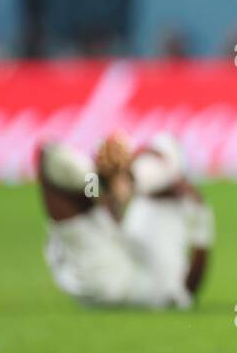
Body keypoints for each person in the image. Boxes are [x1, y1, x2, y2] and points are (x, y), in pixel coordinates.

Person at [37, 131, 213, 308]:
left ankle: (105, 182)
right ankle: (107, 182)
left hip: (101, 276)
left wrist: (106, 180)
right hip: (111, 275)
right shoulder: (168, 203)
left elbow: (48, 155)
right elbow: (187, 290)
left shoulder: (169, 205)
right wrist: (116, 180)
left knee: (78, 190)